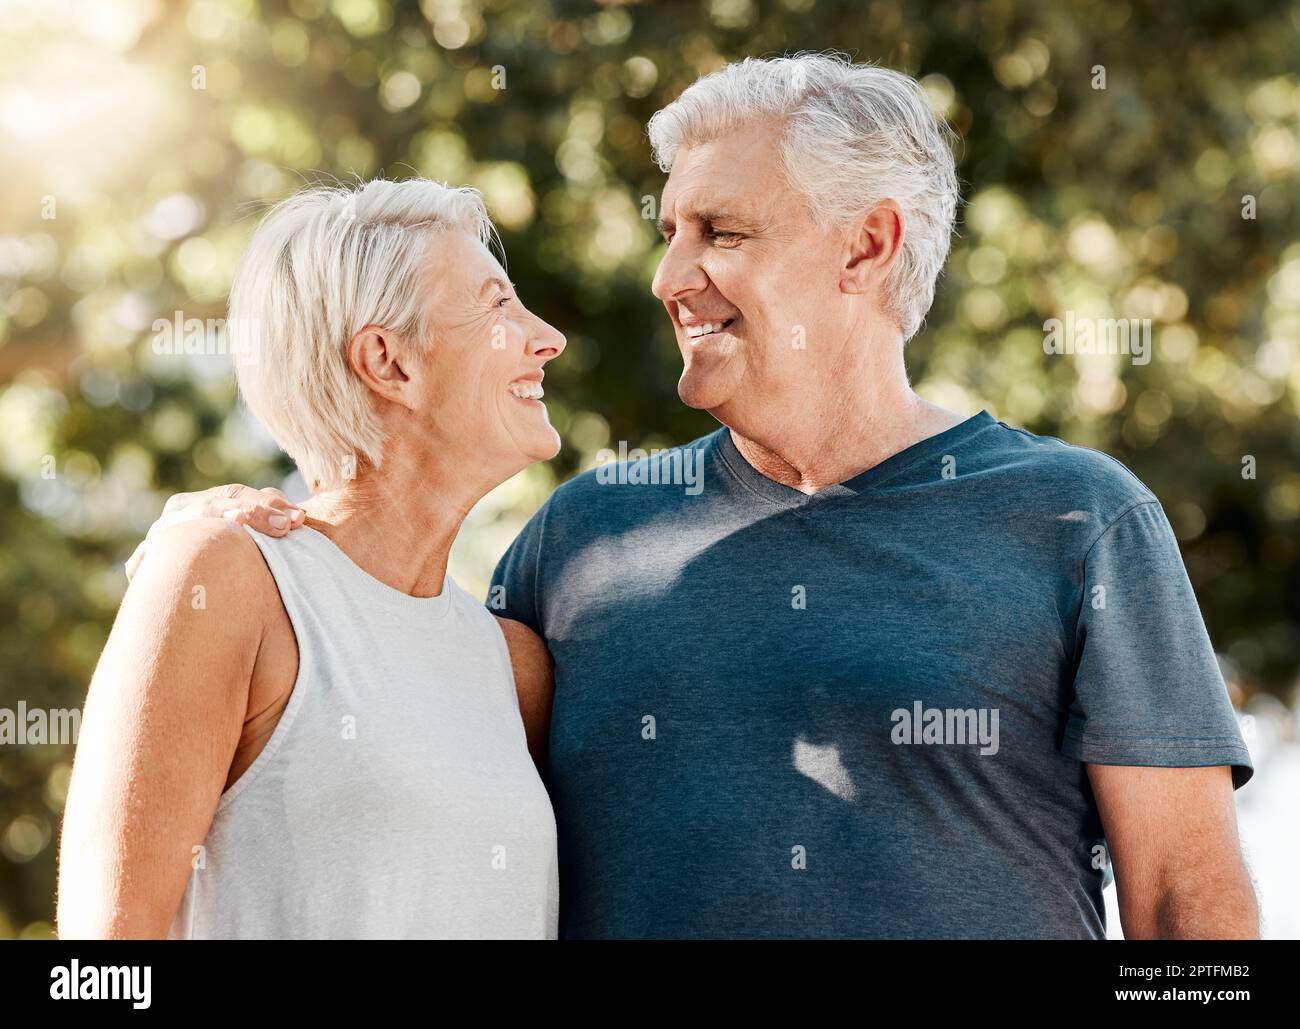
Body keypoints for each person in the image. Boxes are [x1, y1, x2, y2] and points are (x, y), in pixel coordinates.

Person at [135, 54, 1258, 939]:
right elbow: (385, 721)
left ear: (866, 247)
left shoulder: (1077, 522)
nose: (671, 276)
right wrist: (253, 535)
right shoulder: (580, 538)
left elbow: (1187, 912)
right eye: (668, 231)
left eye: (720, 233)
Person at [58, 178, 566, 939]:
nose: (546, 336)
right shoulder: (223, 579)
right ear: (389, 361)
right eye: (497, 305)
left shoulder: (514, 668)